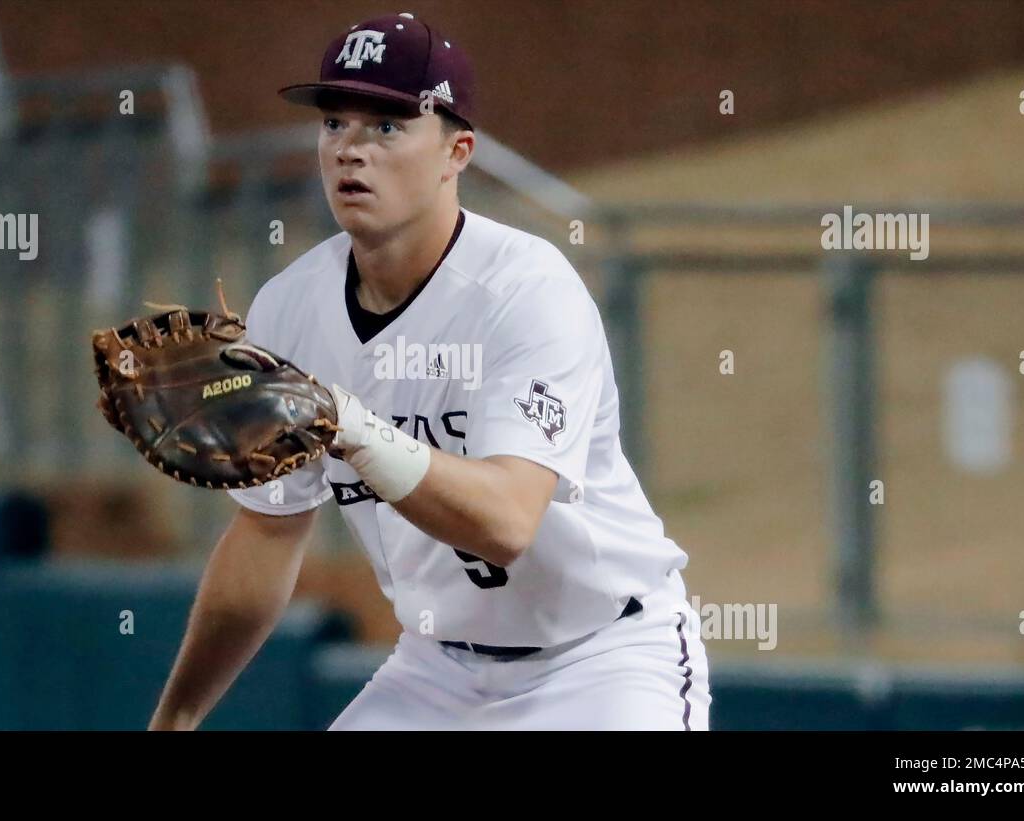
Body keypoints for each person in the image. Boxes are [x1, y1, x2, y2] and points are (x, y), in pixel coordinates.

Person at [148, 12, 710, 731]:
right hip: (437, 669)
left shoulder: (527, 290)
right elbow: (265, 534)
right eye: (334, 124)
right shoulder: (290, 310)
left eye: (387, 126)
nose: (352, 149)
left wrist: (352, 428)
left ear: (458, 152)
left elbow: (507, 521)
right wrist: (175, 718)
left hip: (603, 657)